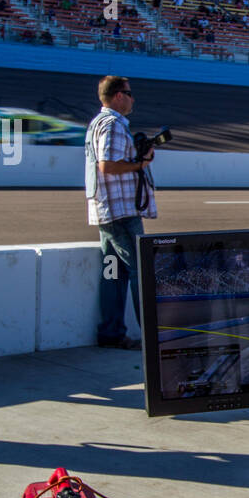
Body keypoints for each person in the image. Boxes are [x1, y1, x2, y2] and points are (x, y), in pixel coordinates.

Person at [85, 75, 157, 349]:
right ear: (117, 96)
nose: (132, 98)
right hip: (121, 210)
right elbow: (108, 166)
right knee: (141, 270)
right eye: (128, 93)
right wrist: (140, 165)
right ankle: (150, 339)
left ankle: (111, 333)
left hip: (106, 209)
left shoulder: (97, 123)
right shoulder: (114, 124)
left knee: (113, 273)